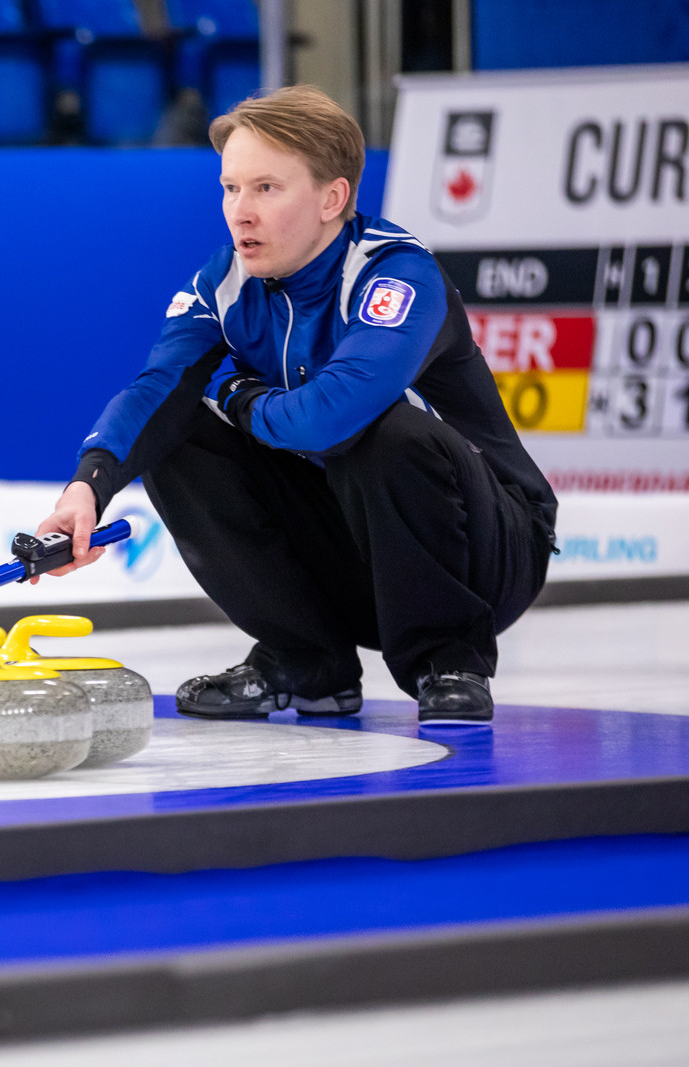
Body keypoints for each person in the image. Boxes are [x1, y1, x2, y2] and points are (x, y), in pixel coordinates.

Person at [33, 84, 556, 726]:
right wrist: (86, 490)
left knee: (383, 434)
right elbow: (157, 389)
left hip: (488, 552)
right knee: (181, 435)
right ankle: (308, 660)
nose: (239, 213)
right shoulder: (224, 281)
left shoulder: (395, 275)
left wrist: (234, 392)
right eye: (230, 188)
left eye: (265, 189)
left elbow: (332, 418)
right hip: (355, 549)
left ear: (332, 199)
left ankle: (446, 659)